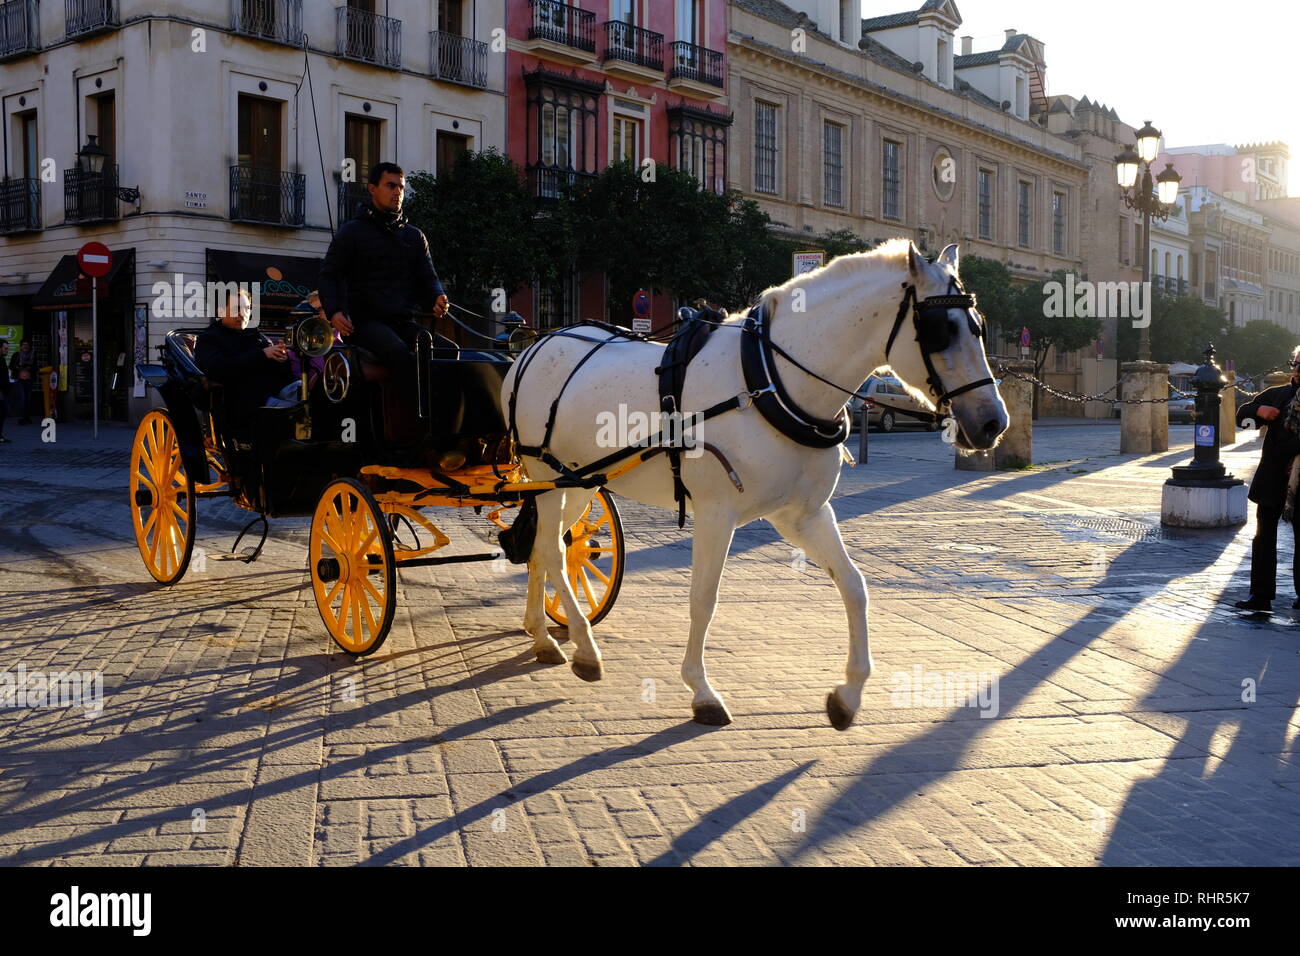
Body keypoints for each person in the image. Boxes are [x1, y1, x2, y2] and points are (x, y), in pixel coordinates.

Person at [316, 161, 447, 451]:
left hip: (403, 322)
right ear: (373, 189)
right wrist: (336, 311)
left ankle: (451, 425)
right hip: (365, 323)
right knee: (400, 356)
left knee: (450, 352)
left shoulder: (414, 236)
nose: (398, 192)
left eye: (401, 187)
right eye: (391, 186)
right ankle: (415, 433)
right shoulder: (352, 232)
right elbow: (329, 275)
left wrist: (437, 297)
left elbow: (429, 278)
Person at [1233, 347, 1300, 612]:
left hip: (1298, 483)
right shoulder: (1278, 394)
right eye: (1295, 363)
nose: (1297, 369)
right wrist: (1258, 410)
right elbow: (1242, 418)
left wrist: (1290, 446)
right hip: (1273, 479)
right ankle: (1260, 596)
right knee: (1263, 538)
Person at [195, 289, 297, 431]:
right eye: (237, 309)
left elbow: (283, 375)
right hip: (245, 402)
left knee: (313, 398)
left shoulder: (256, 335)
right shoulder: (209, 339)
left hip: (274, 390)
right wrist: (262, 355)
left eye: (247, 308)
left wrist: (281, 358)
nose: (243, 314)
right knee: (296, 413)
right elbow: (218, 369)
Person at [9, 338, 37, 425]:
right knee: (22, 399)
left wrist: (30, 368)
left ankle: (26, 417)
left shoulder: (33, 355)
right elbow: (11, 366)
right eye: (24, 345)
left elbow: (35, 368)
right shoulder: (16, 355)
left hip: (29, 380)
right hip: (19, 380)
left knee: (28, 399)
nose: (25, 346)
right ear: (20, 346)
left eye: (27, 345)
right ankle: (21, 418)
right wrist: (19, 368)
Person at [0, 341, 10, 443]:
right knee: (3, 411)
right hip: (1, 391)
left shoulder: (2, 359)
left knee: (3, 412)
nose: (7, 350)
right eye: (5, 348)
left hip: (3, 391)